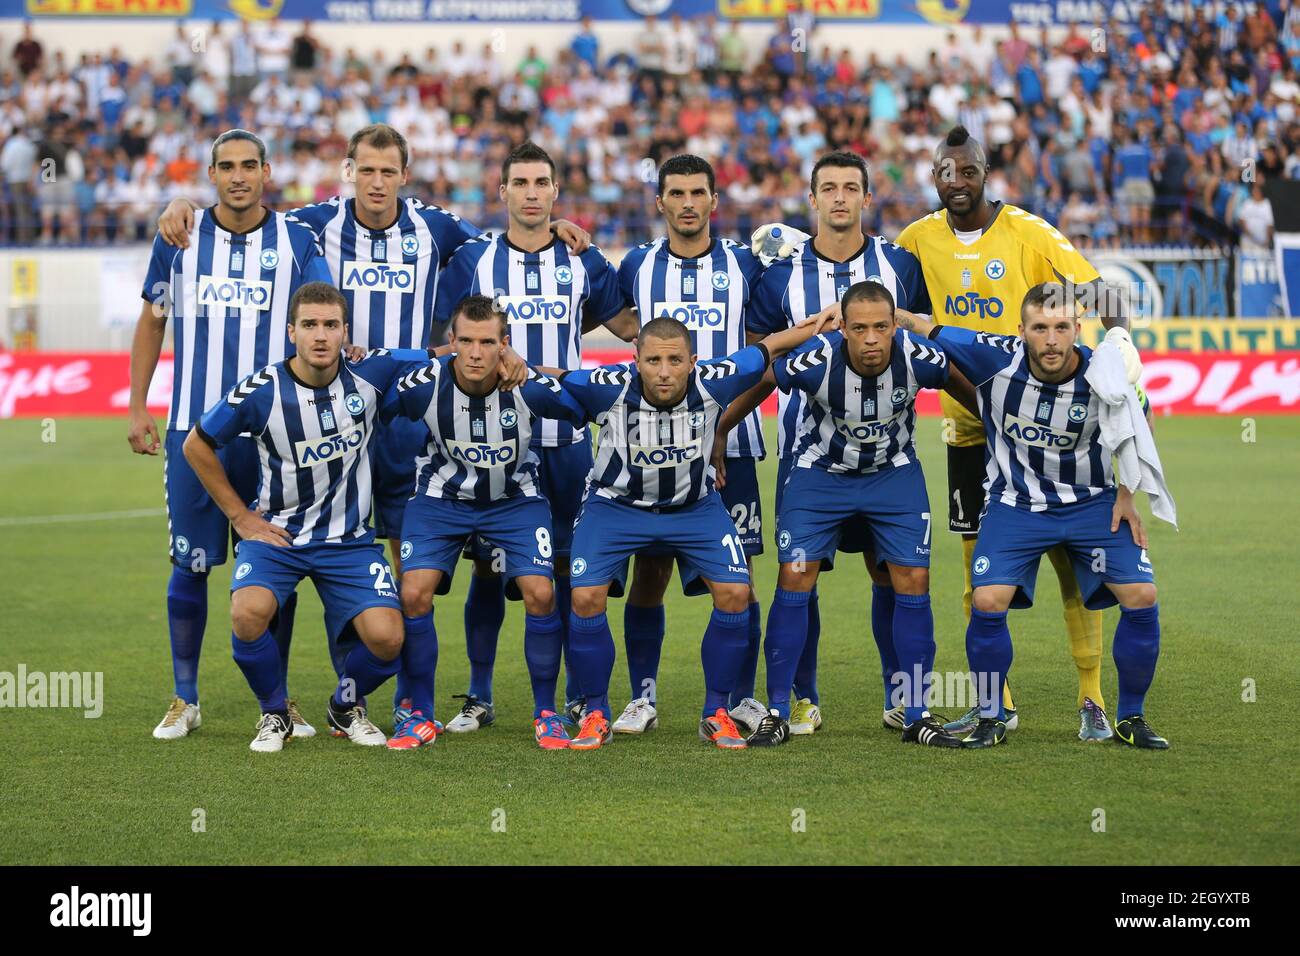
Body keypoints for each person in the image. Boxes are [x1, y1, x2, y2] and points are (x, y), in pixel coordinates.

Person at [154, 126, 591, 734]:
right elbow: (246, 206)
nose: (378, 182)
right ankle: (263, 701)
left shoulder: (437, 229)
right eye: (367, 170)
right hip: (323, 409)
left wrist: (559, 229)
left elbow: (509, 239)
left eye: (390, 171)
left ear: (405, 175)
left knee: (406, 569)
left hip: (406, 415)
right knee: (294, 541)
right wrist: (185, 208)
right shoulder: (311, 225)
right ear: (349, 171)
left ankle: (382, 698)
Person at [895, 124, 1143, 742]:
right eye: (945, 172)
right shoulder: (916, 239)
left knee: (1073, 565)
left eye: (968, 171)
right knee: (979, 571)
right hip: (970, 428)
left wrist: (1118, 341)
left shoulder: (1029, 233)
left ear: (986, 173)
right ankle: (994, 702)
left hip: (1049, 426)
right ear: (933, 176)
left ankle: (1091, 700)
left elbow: (1104, 290)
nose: (957, 182)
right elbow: (885, 305)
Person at [556, 306, 842, 751]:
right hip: (615, 506)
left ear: (693, 362)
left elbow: (768, 347)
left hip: (694, 508)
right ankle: (595, 712)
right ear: (636, 359)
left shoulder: (715, 380)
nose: (664, 372)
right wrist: (506, 360)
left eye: (675, 361)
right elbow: (552, 377)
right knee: (585, 595)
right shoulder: (607, 387)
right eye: (653, 361)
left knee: (736, 592)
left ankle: (716, 712)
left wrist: (821, 321)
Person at [897, 284, 1169, 749]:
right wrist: (886, 314)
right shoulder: (995, 359)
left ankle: (1130, 716)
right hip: (1016, 505)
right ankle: (992, 715)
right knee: (987, 602)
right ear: (1021, 331)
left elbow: (1139, 424)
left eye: (1061, 327)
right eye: (1039, 328)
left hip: (1092, 504)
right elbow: (928, 327)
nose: (1051, 340)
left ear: (1077, 330)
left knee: (1142, 595)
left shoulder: (1105, 371)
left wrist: (1128, 494)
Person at [719, 149, 932, 737]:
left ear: (867, 198)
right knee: (800, 572)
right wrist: (723, 428)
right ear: (812, 200)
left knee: (892, 573)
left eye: (851, 188)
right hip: (807, 456)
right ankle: (802, 699)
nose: (840, 198)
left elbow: (923, 349)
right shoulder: (780, 277)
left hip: (890, 455)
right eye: (829, 188)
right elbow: (763, 366)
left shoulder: (901, 267)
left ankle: (902, 694)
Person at [128, 129, 332, 741]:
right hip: (193, 429)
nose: (239, 176)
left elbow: (327, 308)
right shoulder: (179, 237)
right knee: (190, 564)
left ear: (267, 172)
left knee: (274, 560)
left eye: (250, 165)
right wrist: (137, 405)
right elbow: (152, 320)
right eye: (227, 167)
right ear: (210, 175)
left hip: (275, 438)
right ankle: (184, 697)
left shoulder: (297, 240)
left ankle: (280, 698)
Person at [183, 282, 433, 752]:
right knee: (247, 613)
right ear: (291, 331)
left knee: (387, 640)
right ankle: (274, 713)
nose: (321, 336)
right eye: (311, 325)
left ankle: (344, 705)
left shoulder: (372, 374)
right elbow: (196, 444)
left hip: (350, 542)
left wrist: (503, 357)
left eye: (331, 325)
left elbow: (441, 353)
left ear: (345, 333)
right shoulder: (261, 390)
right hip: (278, 537)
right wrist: (240, 516)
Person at [430, 141, 625, 735]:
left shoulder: (583, 260)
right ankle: (479, 695)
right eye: (521, 182)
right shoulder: (473, 260)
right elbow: (447, 343)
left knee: (569, 570)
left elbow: (628, 325)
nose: (533, 192)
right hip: (492, 439)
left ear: (556, 191)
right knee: (488, 568)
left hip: (563, 438)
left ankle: (574, 695)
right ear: (504, 191)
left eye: (543, 182)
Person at [754, 280, 975, 747]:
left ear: (895, 325)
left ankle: (914, 710)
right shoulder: (817, 359)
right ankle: (777, 709)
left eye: (881, 327)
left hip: (892, 477)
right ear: (844, 329)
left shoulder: (918, 356)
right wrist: (717, 436)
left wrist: (997, 432)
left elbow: (961, 380)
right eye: (860, 328)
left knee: (912, 580)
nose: (872, 338)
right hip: (819, 476)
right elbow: (765, 379)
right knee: (795, 577)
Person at [383, 295, 589, 749]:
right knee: (413, 592)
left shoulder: (526, 384)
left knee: (540, 592)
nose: (477, 353)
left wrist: (534, 369)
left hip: (514, 498)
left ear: (505, 344)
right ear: (451, 341)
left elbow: (587, 403)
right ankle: (417, 712)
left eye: (488, 342)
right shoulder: (425, 383)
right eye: (468, 341)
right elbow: (376, 392)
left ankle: (546, 713)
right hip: (441, 497)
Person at [610, 153, 768, 736]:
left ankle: (737, 698)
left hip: (736, 443)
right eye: (675, 193)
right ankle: (643, 697)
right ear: (659, 202)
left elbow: (766, 343)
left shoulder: (745, 265)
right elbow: (613, 317)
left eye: (697, 193)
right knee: (650, 573)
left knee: (739, 578)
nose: (686, 203)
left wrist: (722, 426)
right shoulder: (636, 266)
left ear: (713, 201)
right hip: (653, 450)